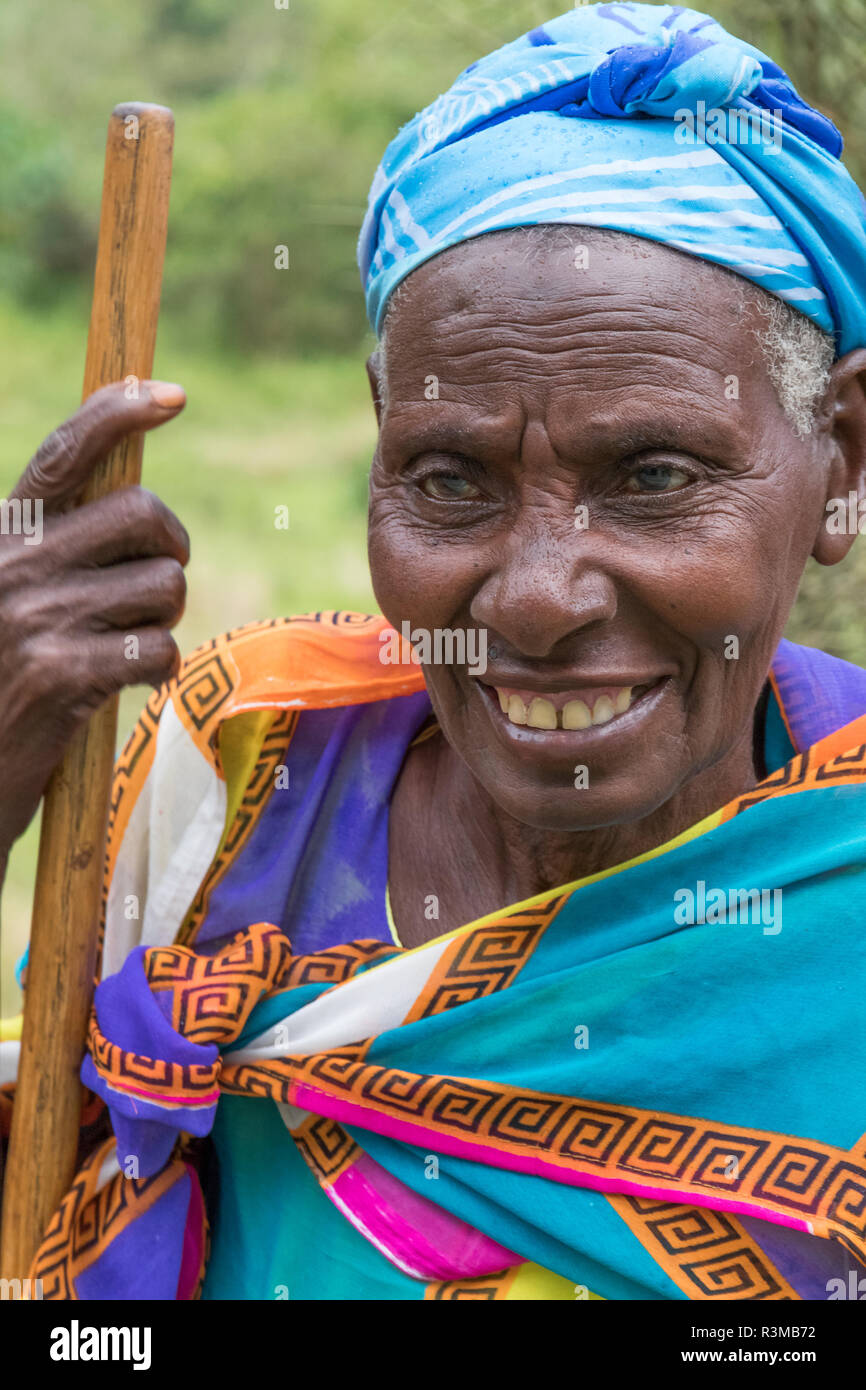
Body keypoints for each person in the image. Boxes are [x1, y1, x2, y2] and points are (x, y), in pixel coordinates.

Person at [3, 2, 866, 1300]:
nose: (531, 598)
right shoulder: (236, 775)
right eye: (449, 477)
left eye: (650, 474)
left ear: (843, 464)